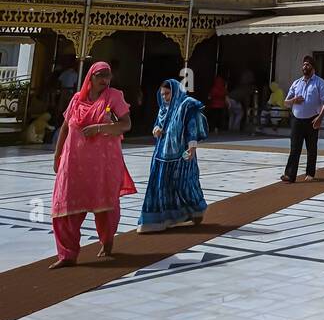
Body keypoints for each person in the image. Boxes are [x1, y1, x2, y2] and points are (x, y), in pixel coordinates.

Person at [50, 61, 136, 268]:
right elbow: (64, 129)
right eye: (100, 76)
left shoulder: (113, 97)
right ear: (91, 77)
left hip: (103, 163)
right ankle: (67, 254)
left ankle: (107, 241)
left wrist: (99, 127)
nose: (105, 80)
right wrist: (57, 155)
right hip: (73, 163)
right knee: (64, 205)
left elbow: (126, 124)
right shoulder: (77, 100)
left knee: (104, 205)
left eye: (108, 75)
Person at [137, 78, 208, 233]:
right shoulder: (163, 108)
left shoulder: (186, 106)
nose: (164, 97)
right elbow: (158, 124)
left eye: (167, 94)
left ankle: (195, 210)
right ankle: (158, 220)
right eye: (162, 94)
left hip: (181, 156)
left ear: (175, 92)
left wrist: (192, 148)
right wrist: (155, 130)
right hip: (162, 155)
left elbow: (192, 128)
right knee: (160, 185)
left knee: (183, 185)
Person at [281, 56, 324, 183]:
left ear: (313, 67)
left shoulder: (319, 83)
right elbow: (286, 103)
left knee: (311, 148)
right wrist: (293, 100)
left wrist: (319, 118)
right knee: (294, 148)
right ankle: (289, 175)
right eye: (303, 65)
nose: (304, 67)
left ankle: (310, 173)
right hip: (297, 120)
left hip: (312, 120)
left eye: (307, 64)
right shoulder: (296, 83)